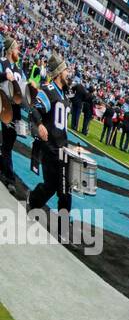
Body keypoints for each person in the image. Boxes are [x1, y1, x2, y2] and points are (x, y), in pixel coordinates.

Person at [25, 53, 74, 233]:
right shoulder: (49, 90)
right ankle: (34, 200)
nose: (68, 73)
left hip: (62, 149)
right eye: (66, 70)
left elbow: (61, 126)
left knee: (64, 190)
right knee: (52, 186)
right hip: (50, 147)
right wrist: (39, 125)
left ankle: (62, 228)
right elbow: (34, 111)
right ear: (59, 72)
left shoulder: (64, 96)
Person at [0, 35, 25, 195]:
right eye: (16, 48)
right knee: (8, 144)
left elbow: (24, 91)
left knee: (10, 142)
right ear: (10, 50)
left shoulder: (19, 69)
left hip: (15, 110)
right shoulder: (2, 62)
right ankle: (10, 179)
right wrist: (4, 76)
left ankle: (3, 167)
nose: (19, 51)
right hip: (3, 104)